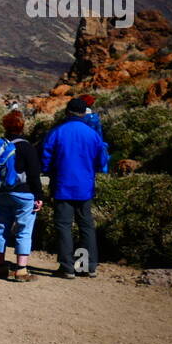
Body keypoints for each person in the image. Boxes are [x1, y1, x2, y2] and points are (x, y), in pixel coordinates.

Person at [41, 96, 110, 279]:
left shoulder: (57, 132)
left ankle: (67, 267)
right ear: (83, 112)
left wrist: (49, 173)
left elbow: (46, 159)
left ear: (68, 112)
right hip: (85, 186)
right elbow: (101, 160)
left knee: (63, 226)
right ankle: (87, 266)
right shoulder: (92, 134)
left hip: (62, 185)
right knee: (86, 226)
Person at [0, 111, 43, 282]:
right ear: (22, 126)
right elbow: (34, 175)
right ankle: (21, 270)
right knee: (23, 231)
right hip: (23, 194)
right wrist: (39, 196)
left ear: (5, 126)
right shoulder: (27, 147)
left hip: (1, 193)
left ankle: (0, 266)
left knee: (1, 228)